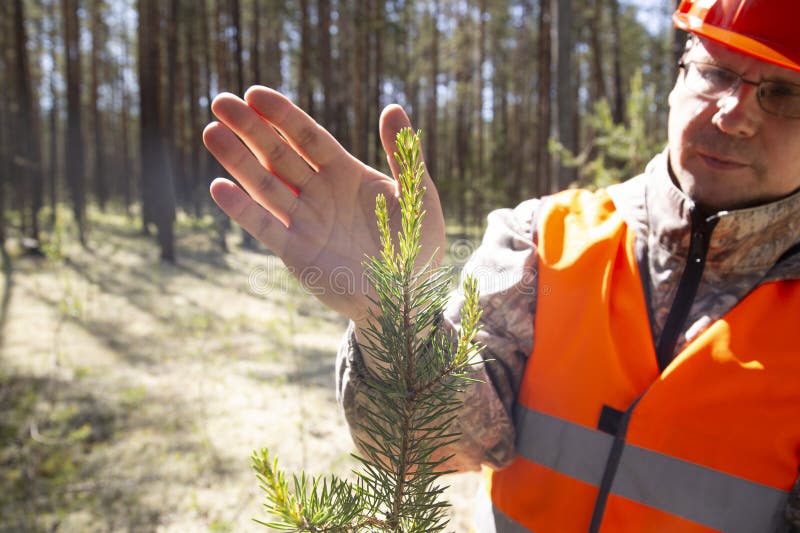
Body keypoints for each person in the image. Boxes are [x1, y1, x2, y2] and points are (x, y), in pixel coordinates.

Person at [203, 0, 800, 531]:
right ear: (677, 79)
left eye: (783, 92)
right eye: (716, 71)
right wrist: (392, 317)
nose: (733, 114)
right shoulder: (542, 238)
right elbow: (436, 450)